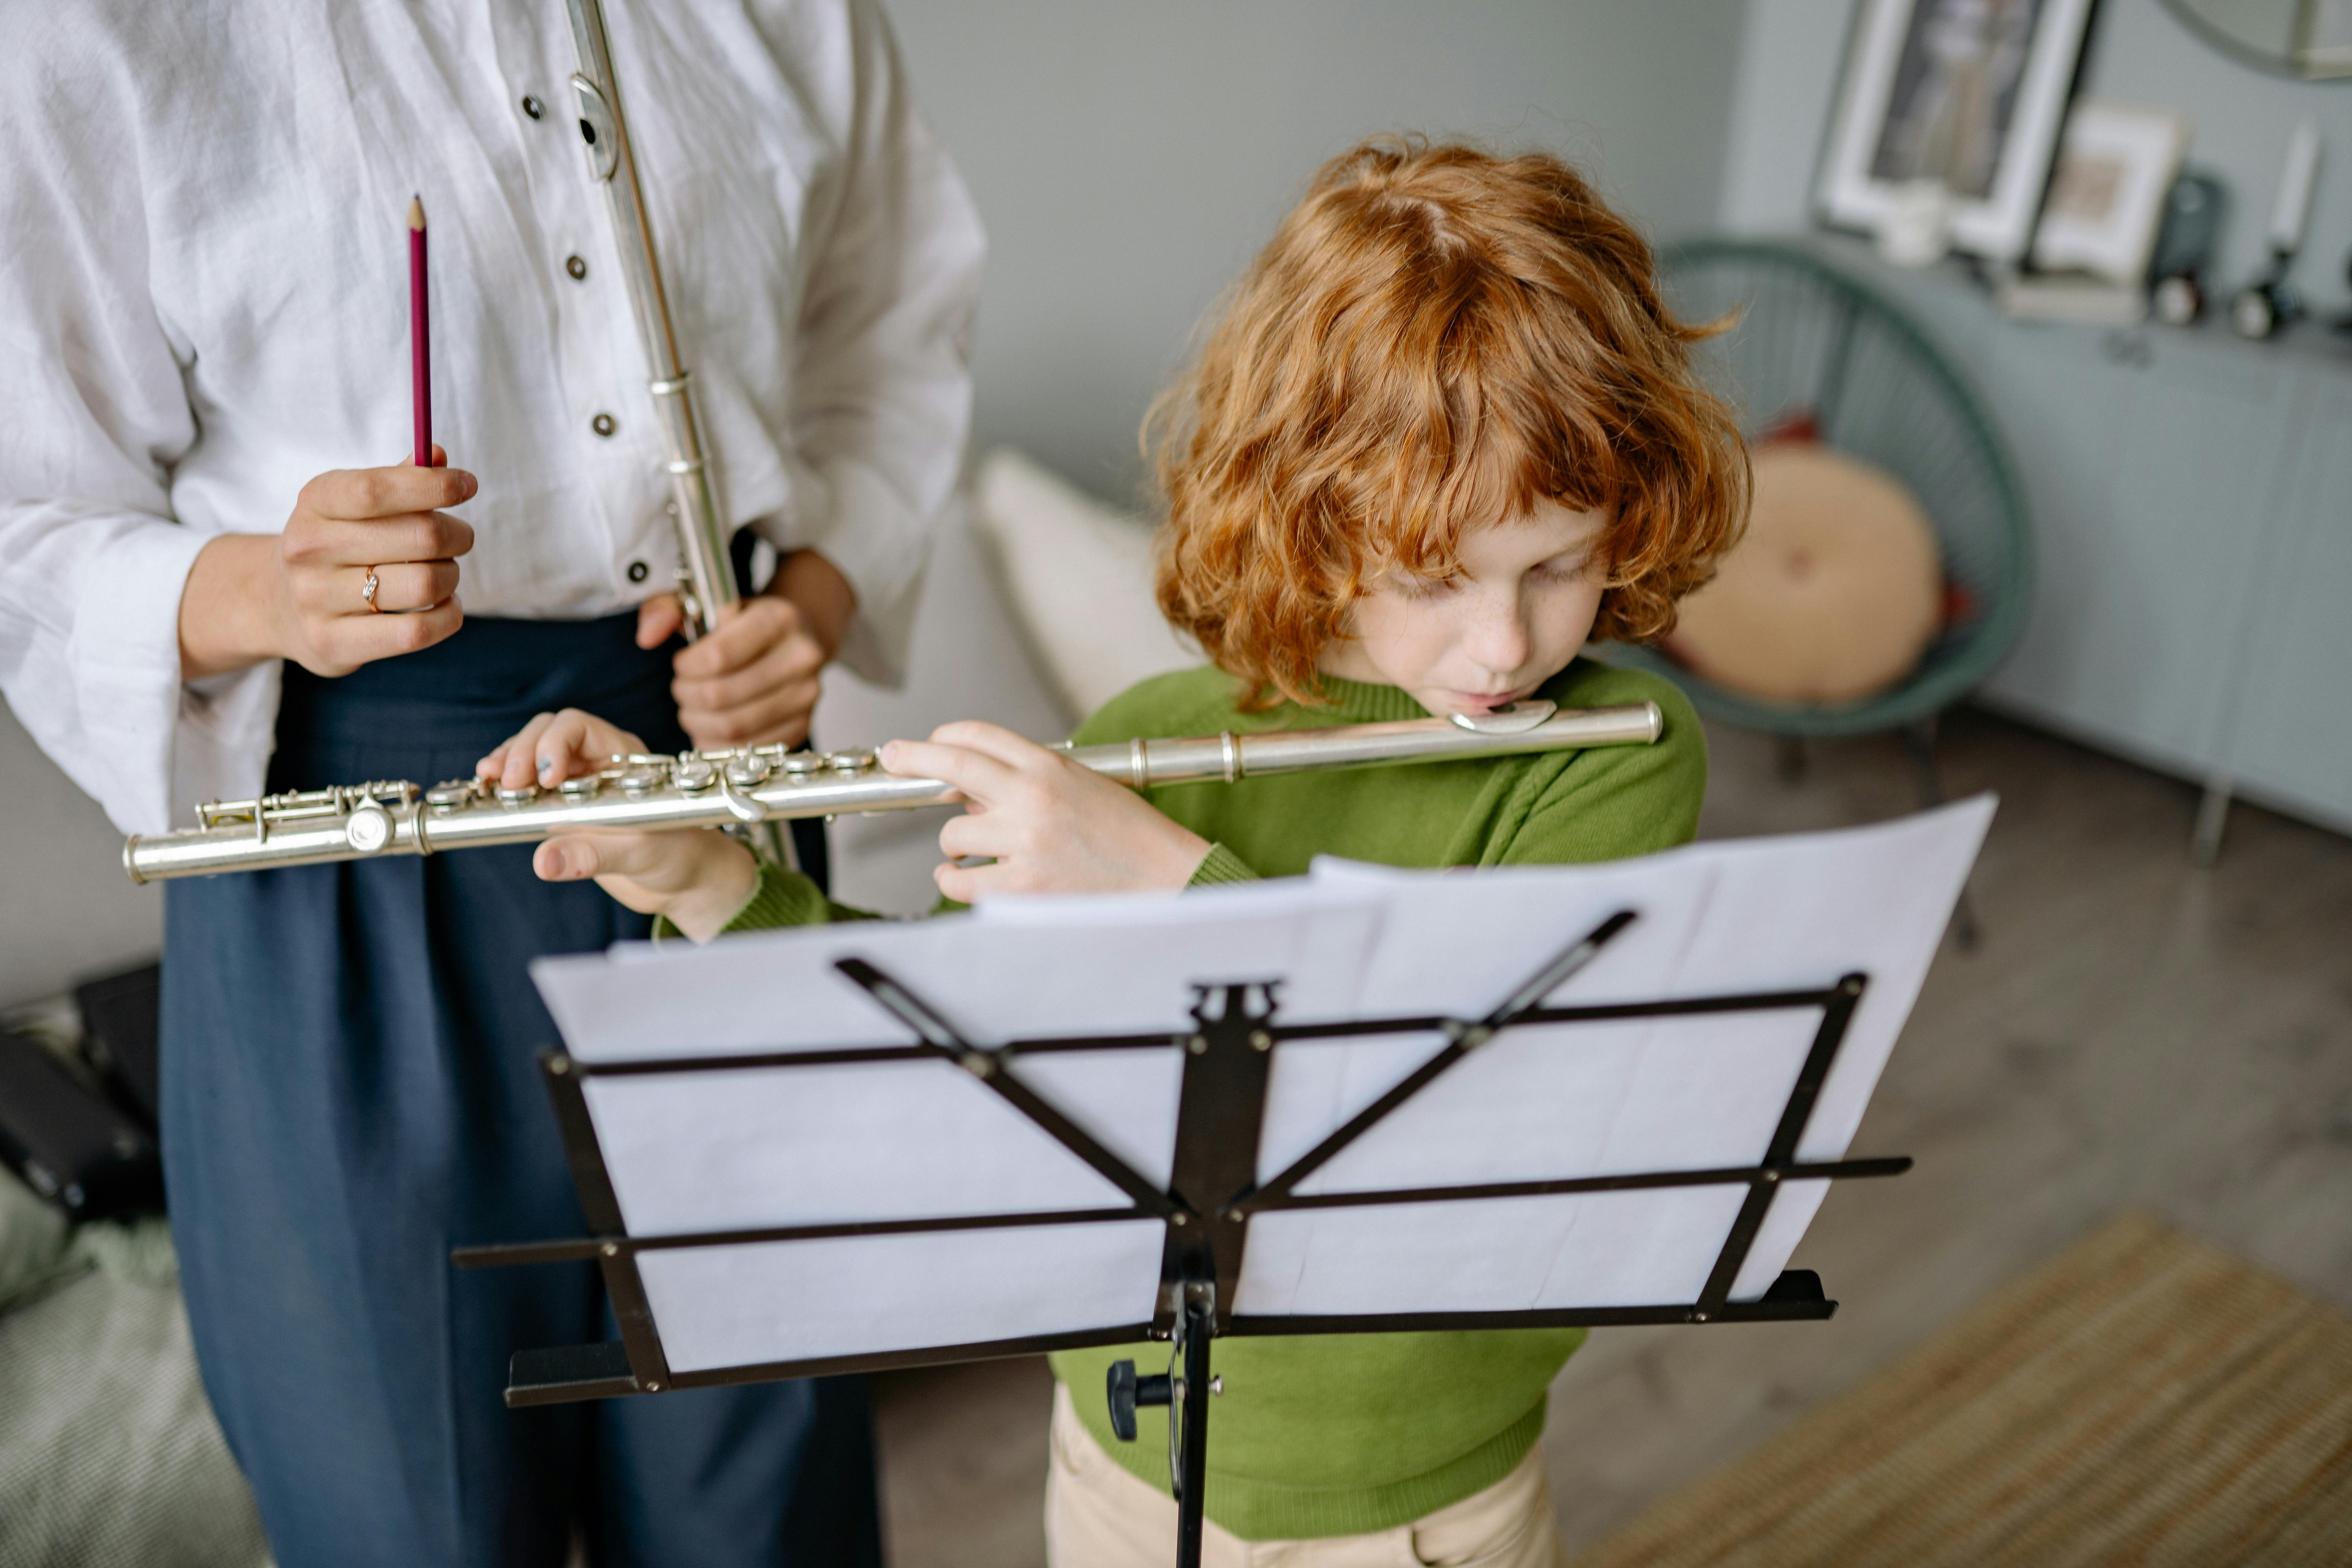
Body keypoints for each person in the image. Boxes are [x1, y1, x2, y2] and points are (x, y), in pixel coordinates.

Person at [484, 139, 1745, 1566]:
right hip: (1123, 1466)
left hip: (1416, 1505)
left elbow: (1467, 1110)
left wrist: (1154, 879)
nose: (1506, 641)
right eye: (1437, 576)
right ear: (1317, 523)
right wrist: (708, 880)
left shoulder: (1615, 747)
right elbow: (937, 1048)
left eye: (1558, 564)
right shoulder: (1154, 731)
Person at [0, 2, 981, 1564]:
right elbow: (22, 508)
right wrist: (264, 587)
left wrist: (818, 598)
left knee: (763, 1475)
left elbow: (893, 324)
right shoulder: (95, 30)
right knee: (413, 1509)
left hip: (721, 791)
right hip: (340, 835)